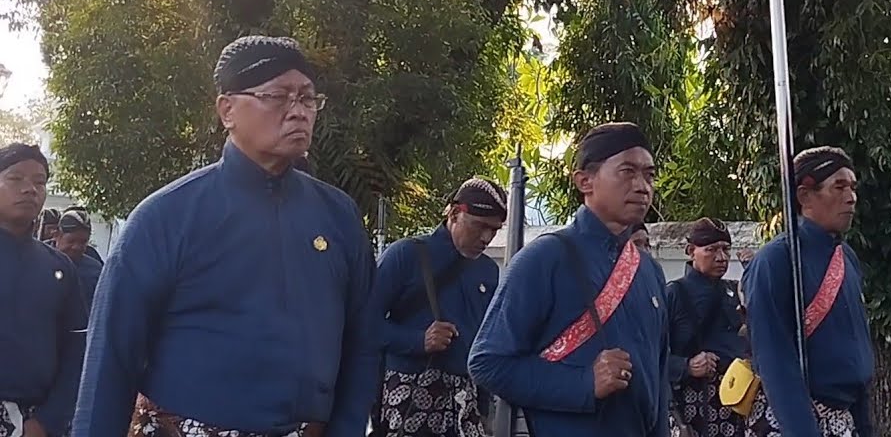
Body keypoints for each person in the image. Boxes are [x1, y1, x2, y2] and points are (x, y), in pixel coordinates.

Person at [73, 35, 381, 437]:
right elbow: (111, 358)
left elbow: (362, 342)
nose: (298, 112)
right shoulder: (166, 217)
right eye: (277, 96)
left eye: (307, 98)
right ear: (227, 110)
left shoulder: (337, 216)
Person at [469, 122, 671, 437]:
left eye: (649, 175)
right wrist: (583, 383)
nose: (643, 186)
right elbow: (487, 363)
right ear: (585, 181)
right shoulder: (545, 259)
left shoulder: (649, 270)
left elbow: (658, 375)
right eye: (628, 172)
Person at [741, 146, 875, 437]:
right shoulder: (776, 260)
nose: (851, 197)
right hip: (795, 423)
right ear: (804, 196)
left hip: (843, 419)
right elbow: (774, 360)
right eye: (838, 187)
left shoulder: (846, 258)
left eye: (852, 187)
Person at [371, 178, 508, 437]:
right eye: (479, 226)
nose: (486, 238)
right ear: (455, 214)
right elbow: (362, 323)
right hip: (410, 396)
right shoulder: (406, 255)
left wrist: (484, 408)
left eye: (494, 229)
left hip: (466, 403)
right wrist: (417, 340)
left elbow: (484, 342)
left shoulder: (488, 271)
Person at [0, 143, 87, 437]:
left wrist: (47, 422)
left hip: (35, 423)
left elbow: (76, 352)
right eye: (16, 179)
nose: (29, 189)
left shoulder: (60, 269)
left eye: (39, 181)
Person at [666, 218, 747, 436]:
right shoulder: (673, 295)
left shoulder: (736, 291)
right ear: (691, 251)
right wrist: (687, 366)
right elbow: (650, 356)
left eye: (726, 250)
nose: (721, 258)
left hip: (737, 404)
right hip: (691, 410)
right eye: (711, 250)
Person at [54, 209, 103, 313]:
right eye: (71, 241)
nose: (76, 247)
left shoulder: (95, 270)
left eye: (83, 242)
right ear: (57, 235)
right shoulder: (38, 260)